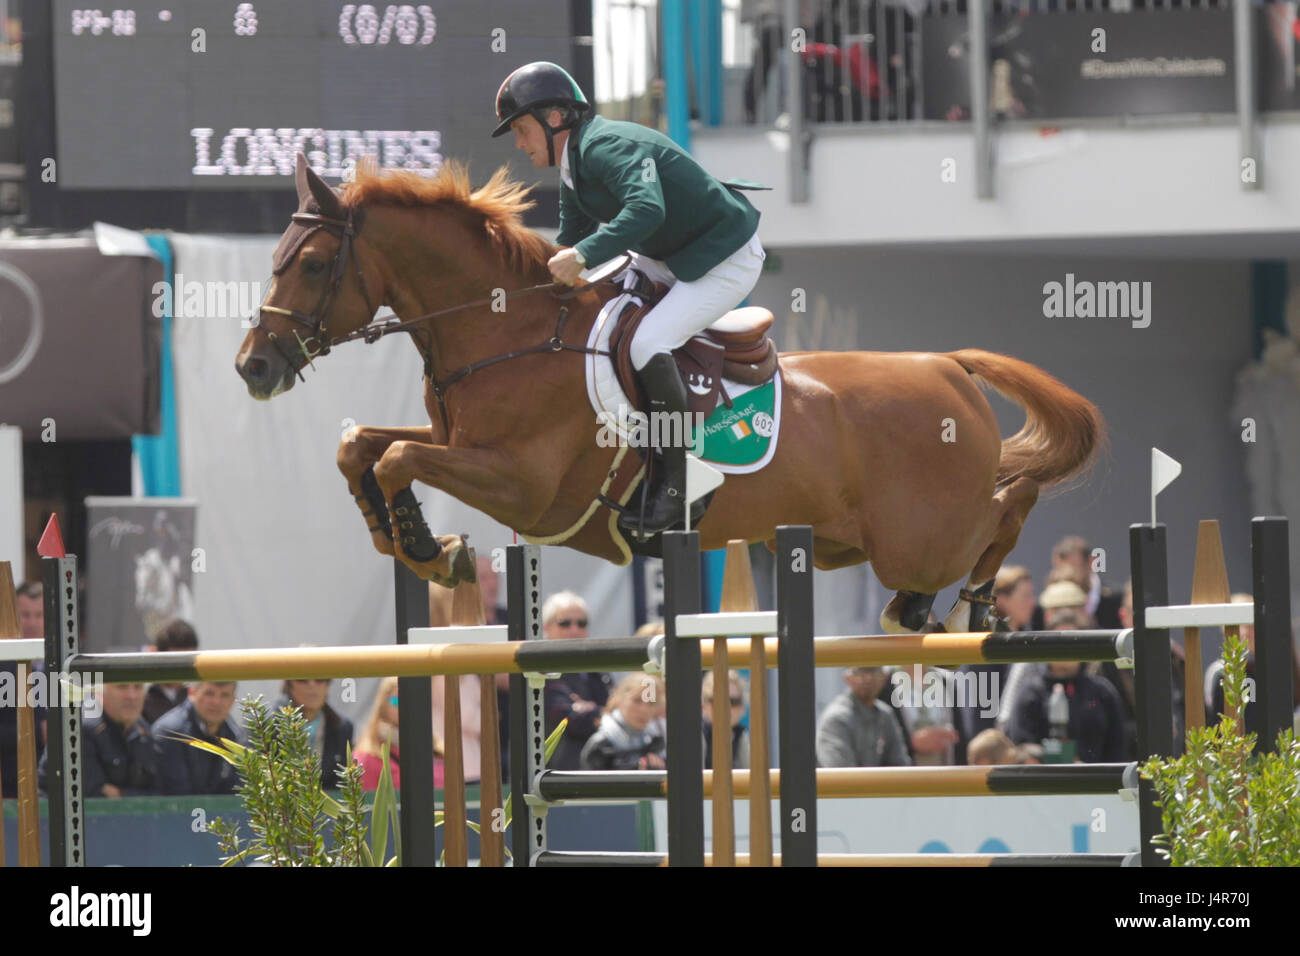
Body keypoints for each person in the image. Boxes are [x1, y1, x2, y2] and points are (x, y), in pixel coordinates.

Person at [494, 61, 768, 535]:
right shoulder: (574, 165)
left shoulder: (604, 145)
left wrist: (581, 255)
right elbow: (569, 242)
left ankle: (679, 484)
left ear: (555, 117)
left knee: (645, 345)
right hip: (671, 255)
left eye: (521, 129)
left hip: (725, 257)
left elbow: (647, 208)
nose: (519, 143)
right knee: (601, 313)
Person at [37, 681, 159, 797]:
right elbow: (93, 797)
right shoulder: (78, 728)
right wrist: (134, 795)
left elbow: (158, 794)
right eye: (122, 686)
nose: (132, 696)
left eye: (138, 687)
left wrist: (120, 794)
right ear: (99, 691)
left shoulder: (144, 730)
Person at [538, 591, 612, 770]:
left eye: (581, 623)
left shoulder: (597, 670)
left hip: (601, 770)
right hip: (556, 780)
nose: (574, 630)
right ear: (546, 627)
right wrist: (605, 713)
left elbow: (620, 710)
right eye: (564, 623)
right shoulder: (540, 667)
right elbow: (571, 719)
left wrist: (595, 711)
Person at [353, 676, 445, 791]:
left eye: (412, 699)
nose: (405, 705)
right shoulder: (367, 758)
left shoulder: (437, 751)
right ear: (382, 706)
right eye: (396, 701)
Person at [152, 681, 244, 795]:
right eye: (209, 693)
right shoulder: (170, 732)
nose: (216, 702)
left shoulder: (234, 734)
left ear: (233, 700)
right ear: (192, 693)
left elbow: (236, 792)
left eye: (224, 695)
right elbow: (178, 797)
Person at [816, 666, 911, 767]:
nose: (868, 678)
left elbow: (899, 765)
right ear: (847, 678)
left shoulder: (885, 714)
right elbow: (841, 775)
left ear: (885, 677)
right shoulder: (836, 718)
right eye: (861, 671)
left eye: (875, 670)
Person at [2, 581, 46, 798]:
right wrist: (39, 732)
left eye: (39, 615)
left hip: (53, 791)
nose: (32, 623)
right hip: (9, 792)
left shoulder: (65, 664)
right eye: (25, 614)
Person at [276, 677, 354, 790]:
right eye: (302, 679)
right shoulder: (265, 724)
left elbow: (341, 785)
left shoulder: (342, 728)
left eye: (319, 679)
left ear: (328, 685)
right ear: (289, 684)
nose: (312, 685)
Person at [580, 672, 667, 770]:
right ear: (620, 699)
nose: (644, 710)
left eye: (651, 703)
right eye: (637, 700)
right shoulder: (601, 746)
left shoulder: (655, 742)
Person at [142, 618, 198, 725]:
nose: (182, 669)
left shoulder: (197, 699)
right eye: (176, 662)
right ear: (157, 656)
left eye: (188, 661)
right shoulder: (140, 698)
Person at [702, 669, 750, 769]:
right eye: (720, 700)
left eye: (734, 701)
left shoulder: (741, 736)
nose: (727, 707)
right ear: (705, 704)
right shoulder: (698, 736)